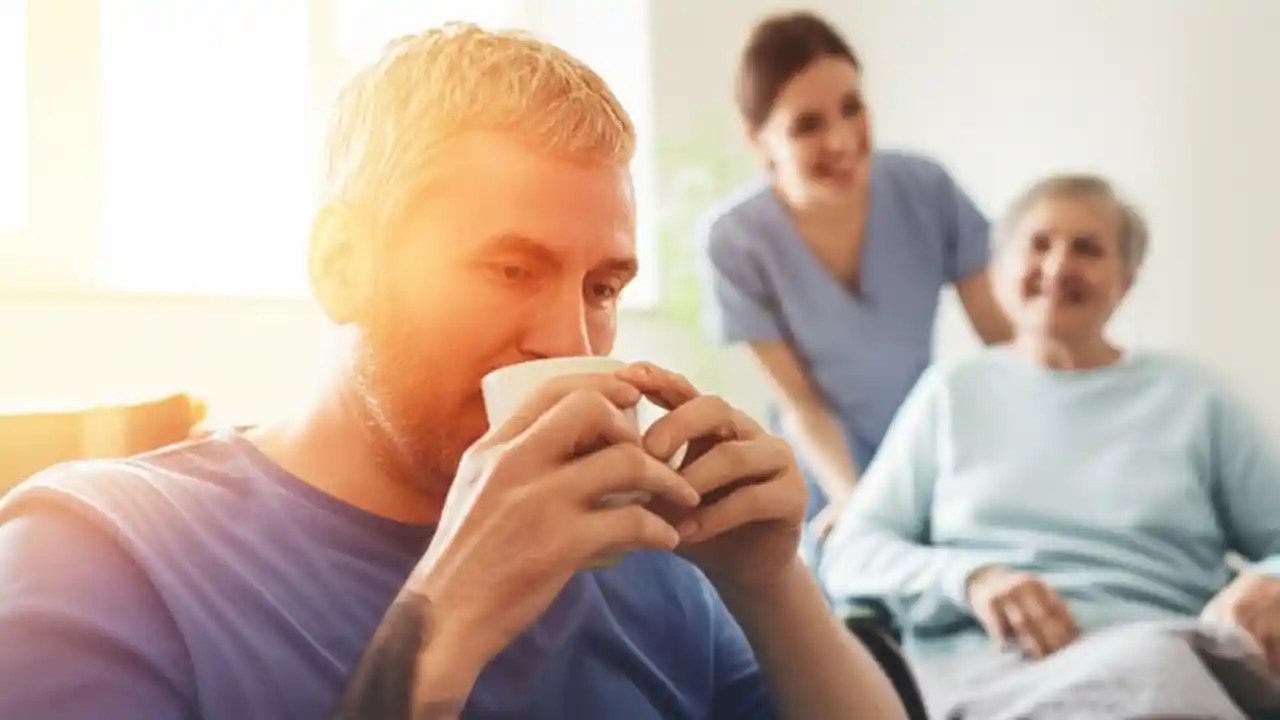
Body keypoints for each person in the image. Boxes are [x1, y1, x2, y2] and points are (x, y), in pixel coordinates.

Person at [0, 24, 907, 720]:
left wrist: (770, 586)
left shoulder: (649, 563)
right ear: (343, 264)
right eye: (510, 270)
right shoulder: (99, 556)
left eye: (602, 286)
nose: (570, 343)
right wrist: (443, 629)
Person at [819, 174, 1280, 716]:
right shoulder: (952, 393)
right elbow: (854, 549)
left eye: (1087, 249)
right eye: (1039, 244)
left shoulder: (1195, 397)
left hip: (1153, 659)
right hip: (981, 671)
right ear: (1001, 268)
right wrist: (971, 578)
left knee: (1157, 671)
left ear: (1126, 280)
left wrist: (1269, 581)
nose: (1059, 267)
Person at [700, 11, 1012, 561]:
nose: (841, 140)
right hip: (826, 473)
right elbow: (801, 403)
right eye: (807, 125)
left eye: (852, 108)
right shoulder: (736, 241)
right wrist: (861, 506)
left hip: (930, 454)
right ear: (757, 139)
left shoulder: (925, 189)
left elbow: (1004, 346)